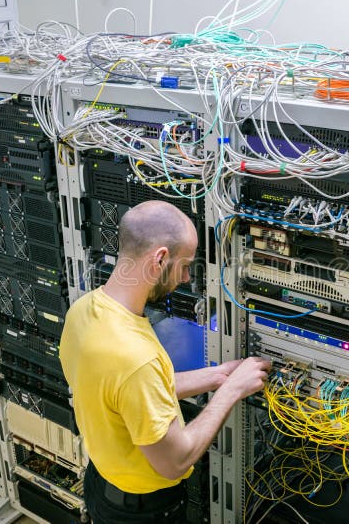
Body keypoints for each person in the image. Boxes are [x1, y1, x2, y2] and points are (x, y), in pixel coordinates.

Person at [60, 200, 271, 523]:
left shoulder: (84, 311)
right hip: (142, 511)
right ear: (159, 259)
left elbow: (133, 394)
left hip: (101, 485)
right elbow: (176, 460)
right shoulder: (136, 358)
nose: (186, 278)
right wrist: (231, 393)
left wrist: (218, 377)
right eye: (184, 265)